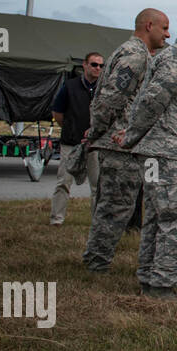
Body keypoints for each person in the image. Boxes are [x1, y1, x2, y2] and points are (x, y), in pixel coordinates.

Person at [114, 2, 177, 300]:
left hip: (161, 151)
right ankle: (161, 285)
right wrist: (132, 135)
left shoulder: (174, 57)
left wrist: (135, 135)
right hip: (168, 153)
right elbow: (153, 99)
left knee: (158, 217)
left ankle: (150, 279)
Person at [81, 8, 170, 274]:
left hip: (120, 142)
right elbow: (111, 98)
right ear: (149, 25)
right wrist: (97, 131)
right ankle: (96, 263)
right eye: (164, 28)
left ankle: (96, 260)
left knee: (112, 206)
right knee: (115, 208)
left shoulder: (130, 51)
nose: (167, 34)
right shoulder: (135, 55)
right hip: (121, 144)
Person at [48, 51, 103, 225]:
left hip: (95, 144)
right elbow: (57, 113)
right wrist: (70, 129)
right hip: (71, 143)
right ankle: (57, 218)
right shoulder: (70, 86)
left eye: (101, 65)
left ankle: (96, 222)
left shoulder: (104, 89)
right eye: (94, 64)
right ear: (85, 65)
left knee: (97, 185)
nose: (98, 68)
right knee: (63, 181)